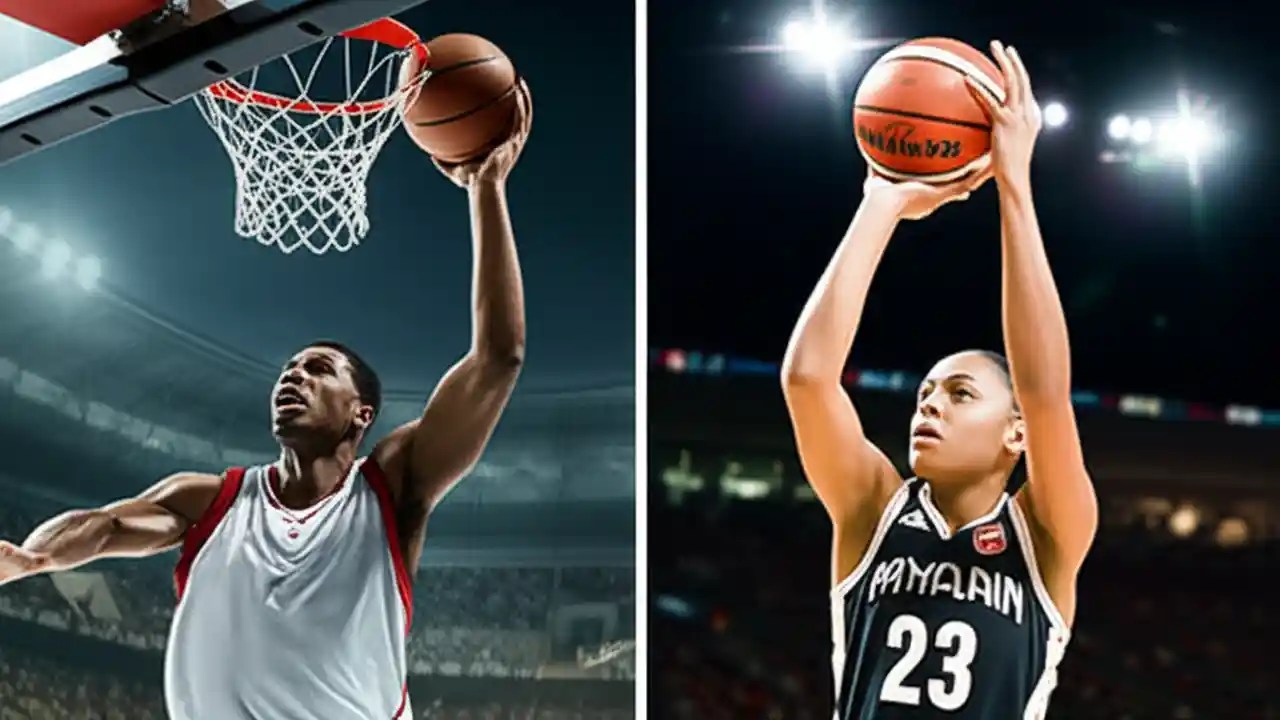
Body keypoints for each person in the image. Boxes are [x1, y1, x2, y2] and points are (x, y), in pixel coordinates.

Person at [0, 83, 533, 720]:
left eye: (318, 370)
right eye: (288, 368)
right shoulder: (208, 501)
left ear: (361, 413)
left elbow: (498, 358)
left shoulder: (392, 485)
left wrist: (485, 187)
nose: (293, 377)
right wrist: (34, 557)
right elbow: (107, 525)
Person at [780, 42, 1097, 719]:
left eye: (960, 393)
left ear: (1017, 432)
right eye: (926, 394)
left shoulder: (1046, 535)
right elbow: (808, 379)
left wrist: (1015, 184)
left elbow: (1045, 390)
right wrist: (881, 204)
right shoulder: (873, 509)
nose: (930, 406)